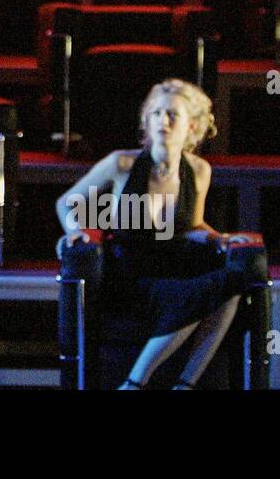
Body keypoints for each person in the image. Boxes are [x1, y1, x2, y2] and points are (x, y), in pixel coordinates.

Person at [55, 78, 243, 390]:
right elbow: (66, 203)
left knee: (235, 280)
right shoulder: (122, 163)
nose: (162, 121)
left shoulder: (198, 170)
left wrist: (220, 238)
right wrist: (74, 231)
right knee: (195, 295)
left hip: (173, 268)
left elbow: (192, 226)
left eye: (172, 115)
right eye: (156, 114)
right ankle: (134, 384)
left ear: (192, 127)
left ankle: (186, 384)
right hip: (129, 277)